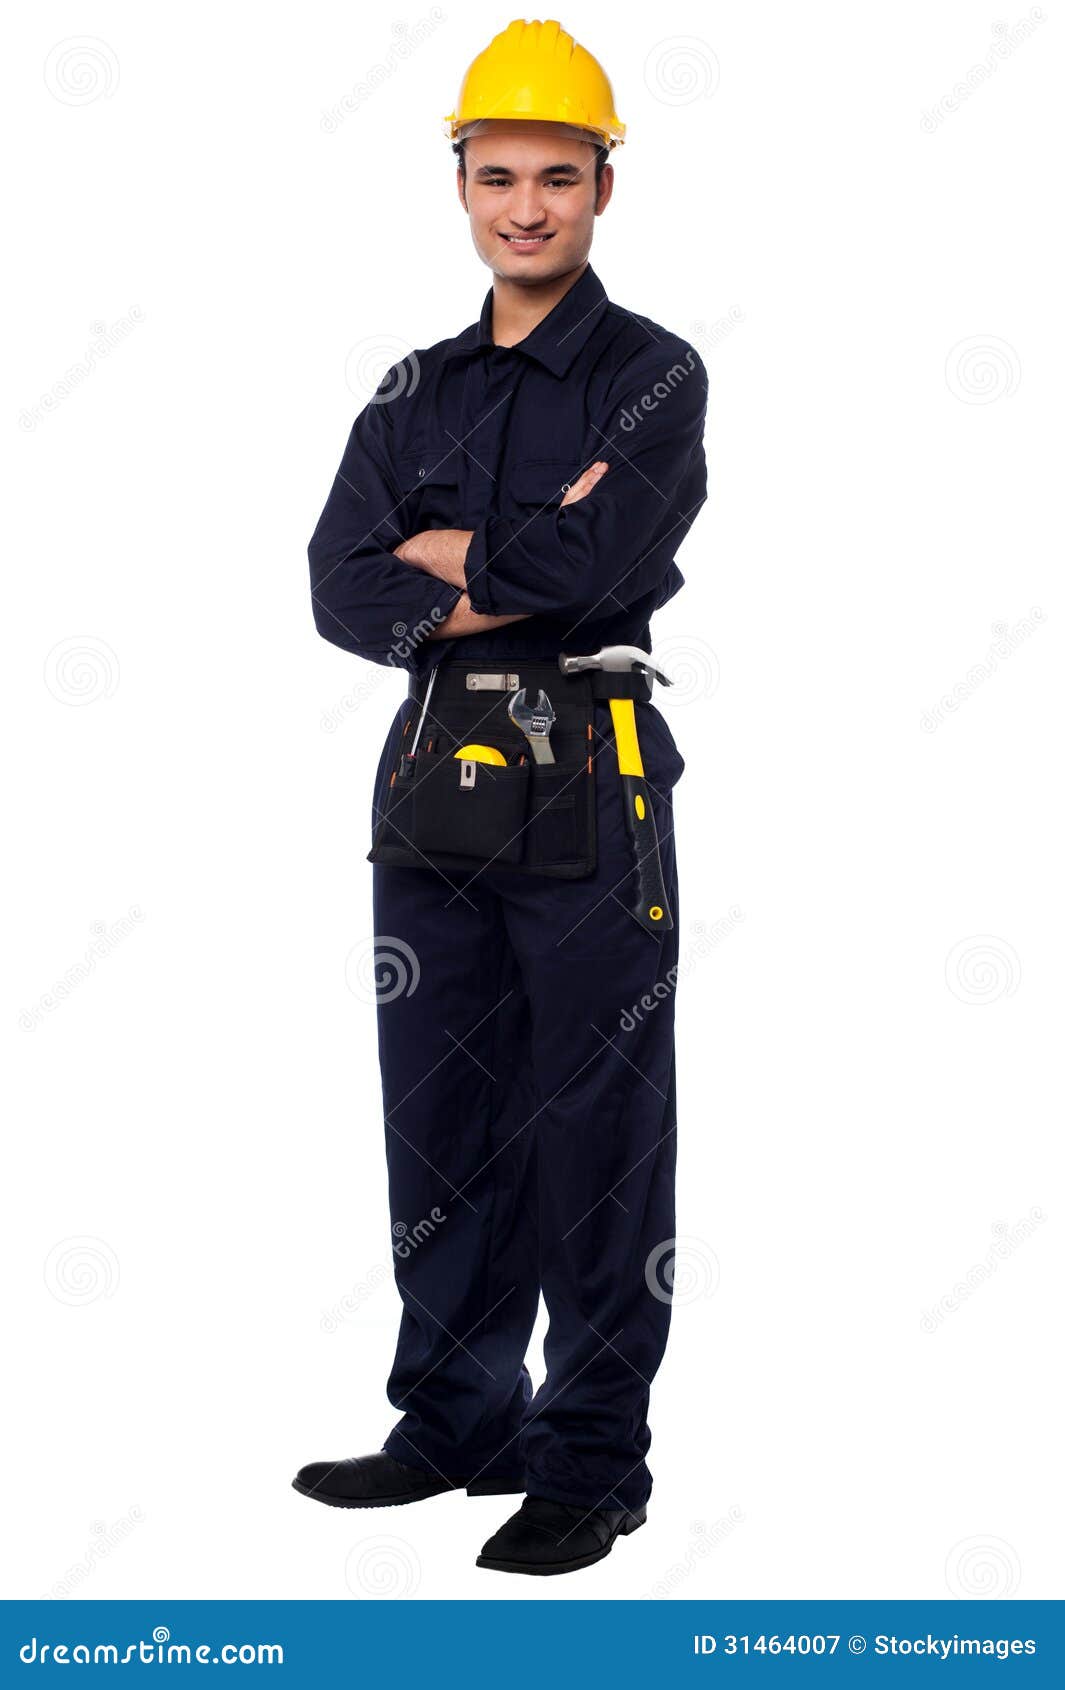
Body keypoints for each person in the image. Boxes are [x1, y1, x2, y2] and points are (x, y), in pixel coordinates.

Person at [295, 18, 708, 1577]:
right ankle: (454, 1421)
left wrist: (453, 552)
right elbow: (336, 584)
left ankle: (589, 1457)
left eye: (556, 175)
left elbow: (596, 567)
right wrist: (508, 562)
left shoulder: (652, 374)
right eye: (495, 176)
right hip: (430, 792)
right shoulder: (412, 390)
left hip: (589, 788)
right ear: (459, 185)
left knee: (592, 1125)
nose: (523, 206)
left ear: (604, 185)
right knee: (443, 1121)